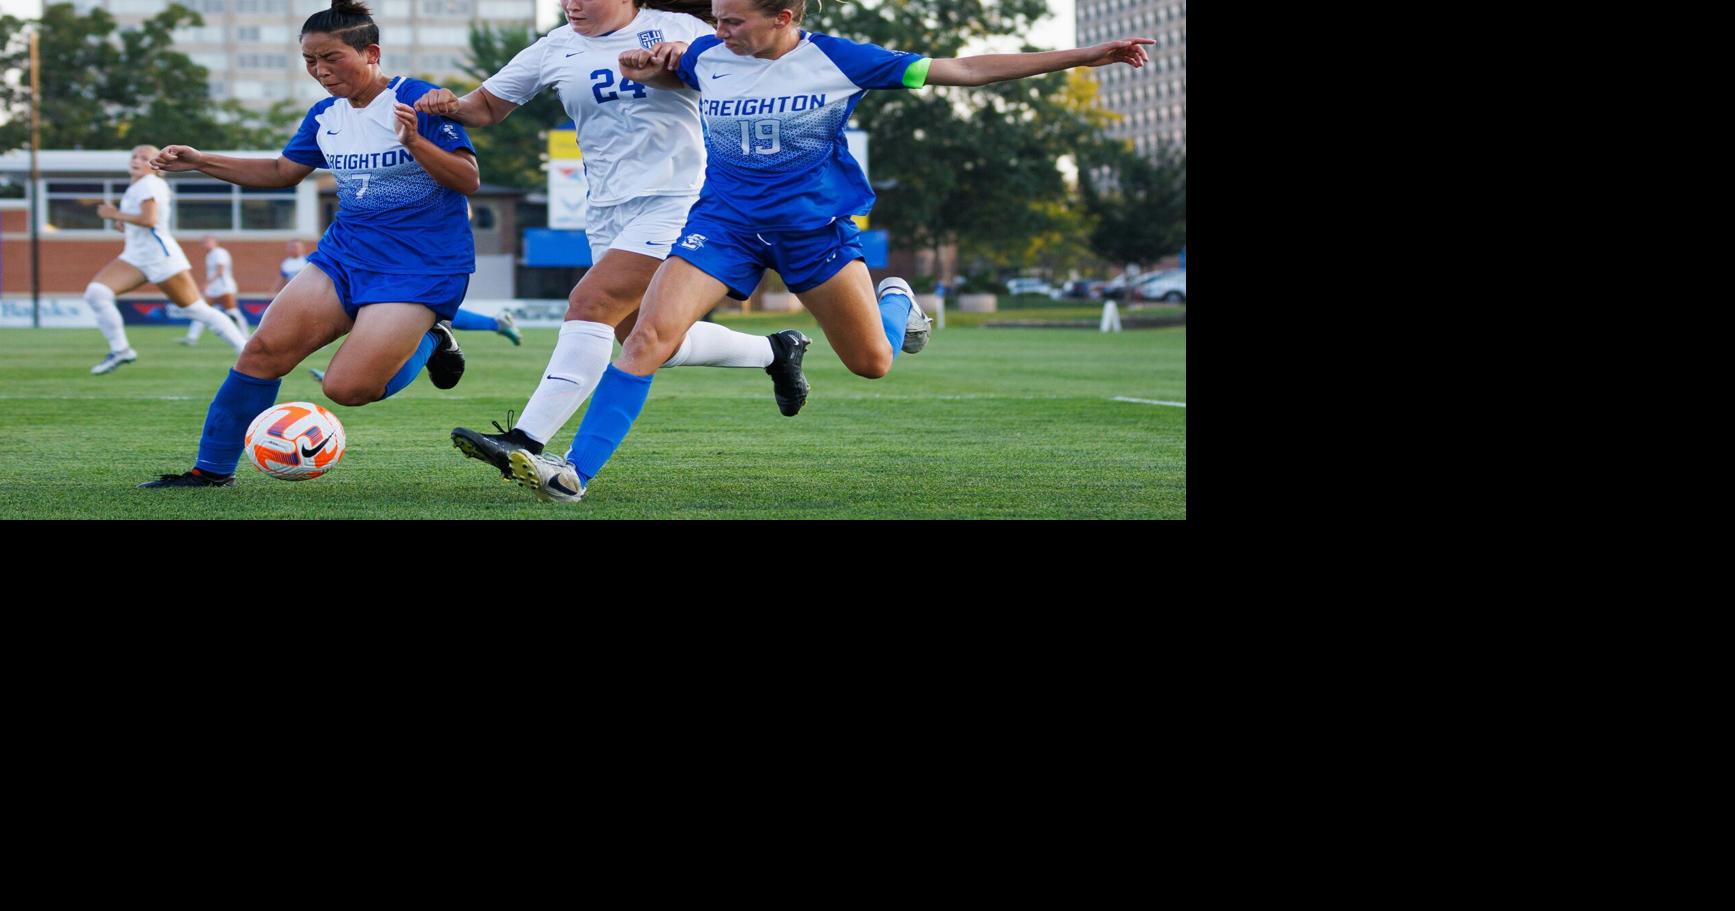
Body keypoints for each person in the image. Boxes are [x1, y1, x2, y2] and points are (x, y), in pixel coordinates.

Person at [508, 0, 1152, 502]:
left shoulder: (839, 59)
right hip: (723, 226)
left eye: (733, 21)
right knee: (647, 336)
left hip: (813, 233)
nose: (718, 31)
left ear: (783, 18)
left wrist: (1082, 56)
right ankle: (574, 472)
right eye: (717, 19)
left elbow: (964, 70)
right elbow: (665, 66)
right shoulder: (707, 54)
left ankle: (895, 300)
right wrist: (648, 65)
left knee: (872, 362)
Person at [410, 0, 812, 484]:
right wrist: (449, 105)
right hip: (606, 209)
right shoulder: (555, 47)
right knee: (642, 336)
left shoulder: (678, 28)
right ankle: (776, 351)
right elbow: (487, 106)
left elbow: (752, 69)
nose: (571, 4)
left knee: (591, 302)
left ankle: (526, 440)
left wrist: (686, 55)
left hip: (683, 198)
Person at [139, 0, 478, 488]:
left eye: (331, 58)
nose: (320, 70)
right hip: (344, 257)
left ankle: (432, 338)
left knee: (348, 388)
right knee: (262, 351)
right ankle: (209, 471)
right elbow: (282, 171)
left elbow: (468, 179)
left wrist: (415, 143)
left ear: (371, 53)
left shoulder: (417, 99)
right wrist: (200, 161)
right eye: (310, 61)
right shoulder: (326, 115)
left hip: (419, 267)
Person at [85, 146, 249, 374]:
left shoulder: (149, 183)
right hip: (136, 256)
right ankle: (121, 350)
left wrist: (115, 215)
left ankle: (246, 350)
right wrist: (124, 222)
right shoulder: (137, 186)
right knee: (96, 293)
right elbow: (142, 221)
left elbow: (149, 220)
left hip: (160, 257)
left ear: (156, 165)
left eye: (144, 157)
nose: (136, 160)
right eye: (134, 156)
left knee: (196, 309)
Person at [179, 236, 251, 346]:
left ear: (214, 242)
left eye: (207, 242)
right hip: (213, 289)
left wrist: (206, 284)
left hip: (224, 287)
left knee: (233, 312)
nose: (205, 245)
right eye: (203, 243)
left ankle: (246, 337)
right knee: (200, 310)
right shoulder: (210, 255)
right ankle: (191, 337)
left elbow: (220, 271)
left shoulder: (219, 252)